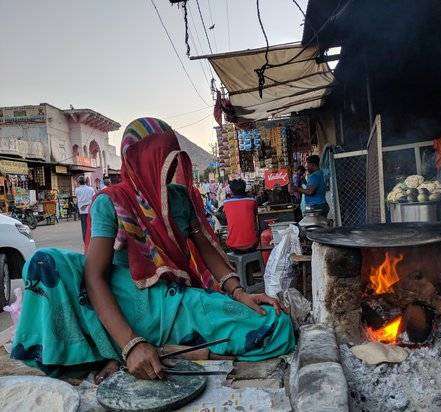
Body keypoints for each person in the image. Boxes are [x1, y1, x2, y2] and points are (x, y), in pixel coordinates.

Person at [12, 118, 294, 383]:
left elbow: (208, 253)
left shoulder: (182, 199)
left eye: (173, 160)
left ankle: (168, 350)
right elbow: (93, 277)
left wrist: (239, 293)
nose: (169, 170)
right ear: (138, 160)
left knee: (277, 328)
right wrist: (131, 344)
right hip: (127, 307)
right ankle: (134, 351)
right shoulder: (111, 202)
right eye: (160, 160)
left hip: (176, 302)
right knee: (43, 262)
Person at [223, 179, 259, 253]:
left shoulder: (226, 203)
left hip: (233, 245)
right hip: (252, 244)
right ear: (244, 188)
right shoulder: (252, 201)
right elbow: (255, 214)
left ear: (231, 190)